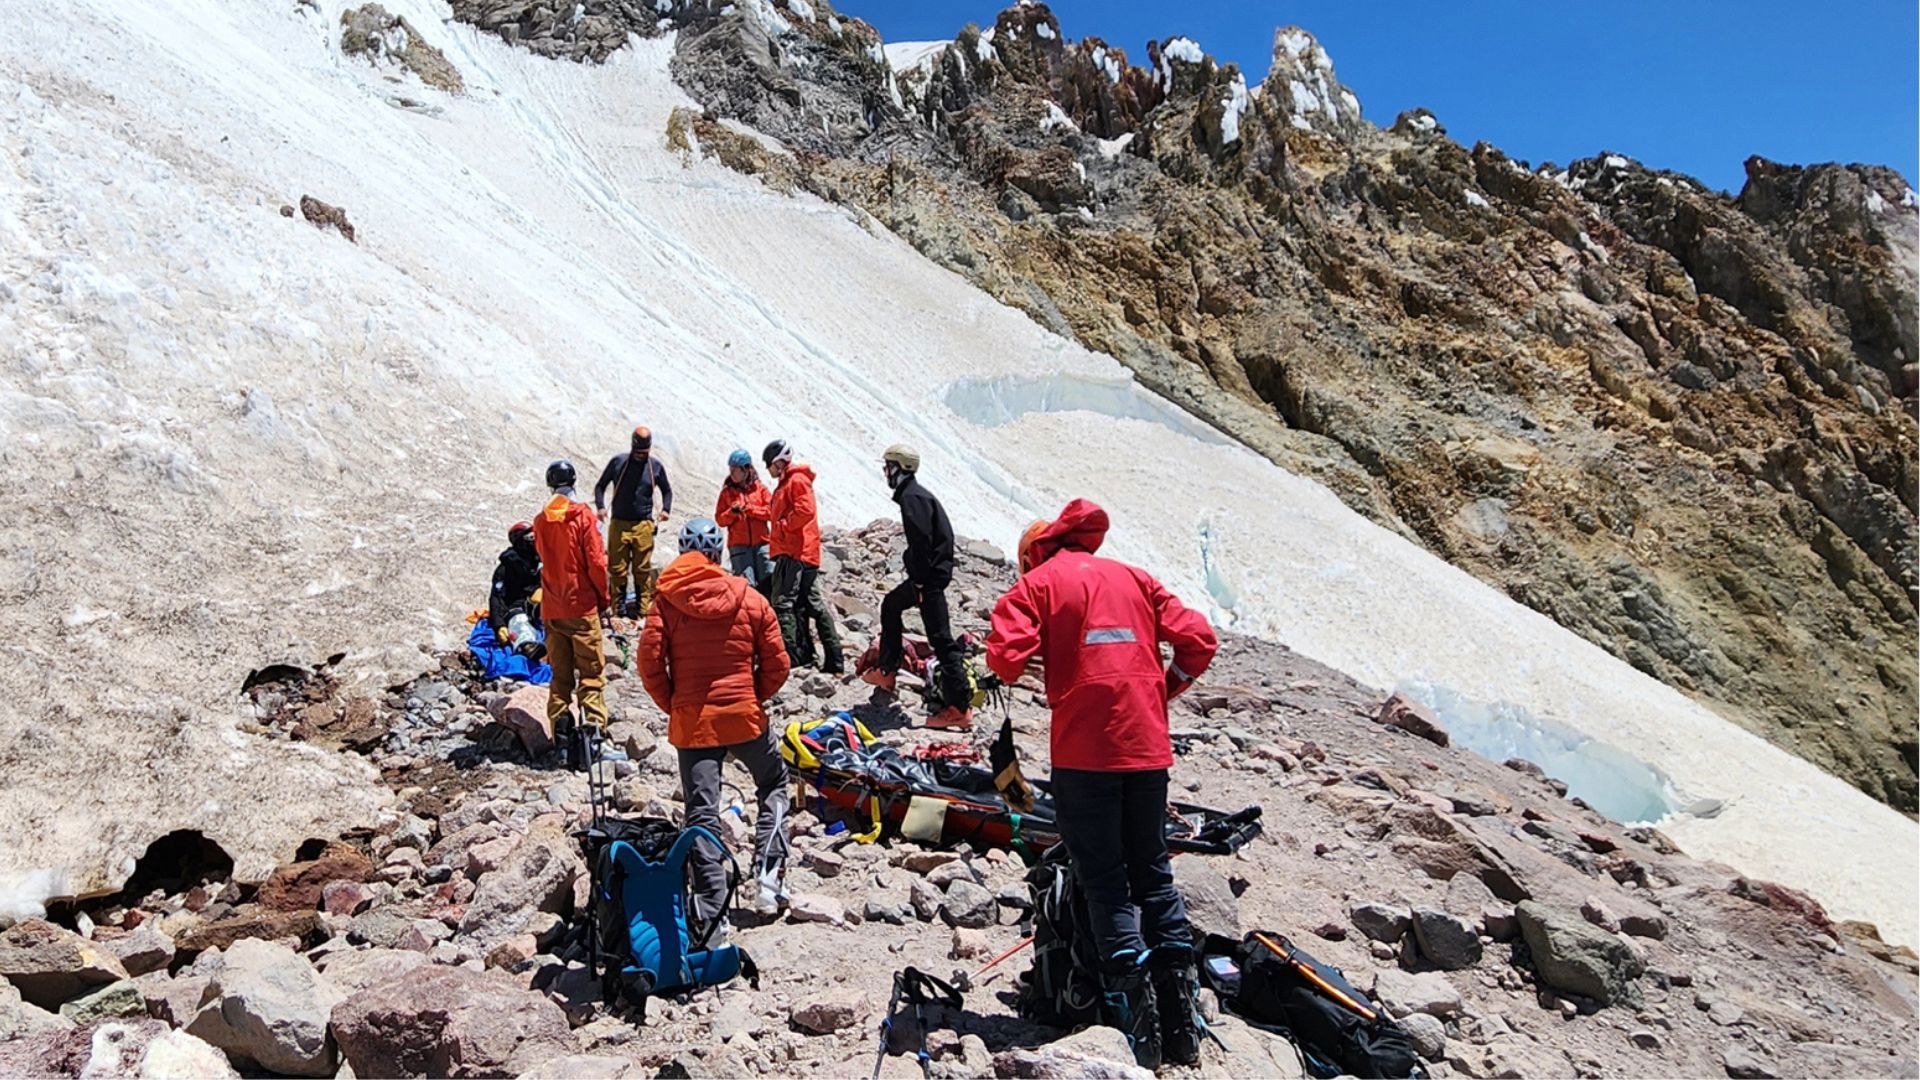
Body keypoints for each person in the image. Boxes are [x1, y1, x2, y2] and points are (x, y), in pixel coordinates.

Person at [985, 498, 1219, 1069]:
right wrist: (1162, 689)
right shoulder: (1135, 577)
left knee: (1105, 881)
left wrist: (1048, 655)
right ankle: (1182, 1029)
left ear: (1033, 555)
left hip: (1085, 753)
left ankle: (1135, 1031)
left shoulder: (1038, 584)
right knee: (1153, 873)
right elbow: (1200, 640)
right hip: (1146, 747)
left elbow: (1006, 659)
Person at [637, 518, 794, 921]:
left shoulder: (665, 601)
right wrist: (751, 697)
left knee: (701, 811)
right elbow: (778, 664)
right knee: (773, 784)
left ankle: (712, 909)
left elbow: (649, 664)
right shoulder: (750, 598)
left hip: (694, 724)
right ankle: (769, 879)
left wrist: (675, 705)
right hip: (744, 717)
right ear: (717, 553)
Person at [863, 444, 971, 730]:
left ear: (900, 468)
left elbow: (921, 541)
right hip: (931, 575)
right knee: (892, 605)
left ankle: (959, 708)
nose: (885, 472)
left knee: (941, 639)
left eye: (888, 467)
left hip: (928, 578)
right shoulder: (915, 495)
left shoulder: (912, 498)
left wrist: (920, 580)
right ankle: (887, 670)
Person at [533, 460, 613, 758]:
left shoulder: (540, 521)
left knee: (560, 676)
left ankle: (562, 737)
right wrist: (603, 598)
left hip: (552, 609)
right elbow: (597, 563)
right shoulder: (582, 516)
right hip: (582, 606)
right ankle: (593, 737)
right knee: (591, 674)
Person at [763, 439, 843, 673]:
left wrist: (784, 527)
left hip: (793, 552)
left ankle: (791, 658)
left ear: (779, 462)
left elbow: (804, 511)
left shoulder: (795, 480)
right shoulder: (793, 480)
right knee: (810, 604)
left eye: (770, 464)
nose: (769, 469)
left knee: (783, 603)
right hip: (803, 552)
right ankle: (832, 659)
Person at [594, 426, 673, 618]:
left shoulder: (655, 466)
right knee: (617, 569)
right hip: (619, 523)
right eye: (637, 452)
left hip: (643, 524)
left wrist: (665, 509)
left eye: (643, 452)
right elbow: (600, 486)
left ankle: (642, 610)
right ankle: (618, 610)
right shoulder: (618, 463)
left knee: (642, 569)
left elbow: (667, 490)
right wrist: (601, 507)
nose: (640, 456)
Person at [715, 449, 773, 596]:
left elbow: (772, 512)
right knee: (746, 587)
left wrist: (751, 510)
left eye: (735, 469)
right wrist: (732, 513)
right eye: (731, 469)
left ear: (746, 469)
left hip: (762, 544)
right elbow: (720, 519)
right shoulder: (727, 492)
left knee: (770, 580)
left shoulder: (761, 489)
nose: (731, 473)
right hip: (739, 547)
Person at [487, 520, 542, 645]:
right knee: (523, 632)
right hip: (517, 608)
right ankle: (528, 646)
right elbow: (496, 597)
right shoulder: (507, 566)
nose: (534, 541)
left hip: (543, 606)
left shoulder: (541, 560)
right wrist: (499, 625)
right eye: (530, 537)